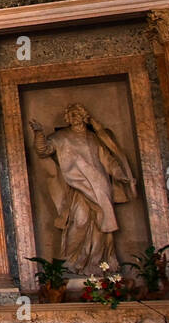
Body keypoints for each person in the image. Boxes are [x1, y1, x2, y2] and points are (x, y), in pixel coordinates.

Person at [31, 103, 135, 273]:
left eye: (77, 113)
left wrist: (121, 175)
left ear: (84, 116)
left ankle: (97, 263)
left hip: (100, 187)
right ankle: (72, 262)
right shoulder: (61, 137)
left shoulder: (94, 138)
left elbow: (108, 160)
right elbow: (43, 150)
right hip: (78, 186)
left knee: (102, 226)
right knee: (79, 221)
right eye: (71, 114)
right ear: (67, 118)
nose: (74, 116)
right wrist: (38, 133)